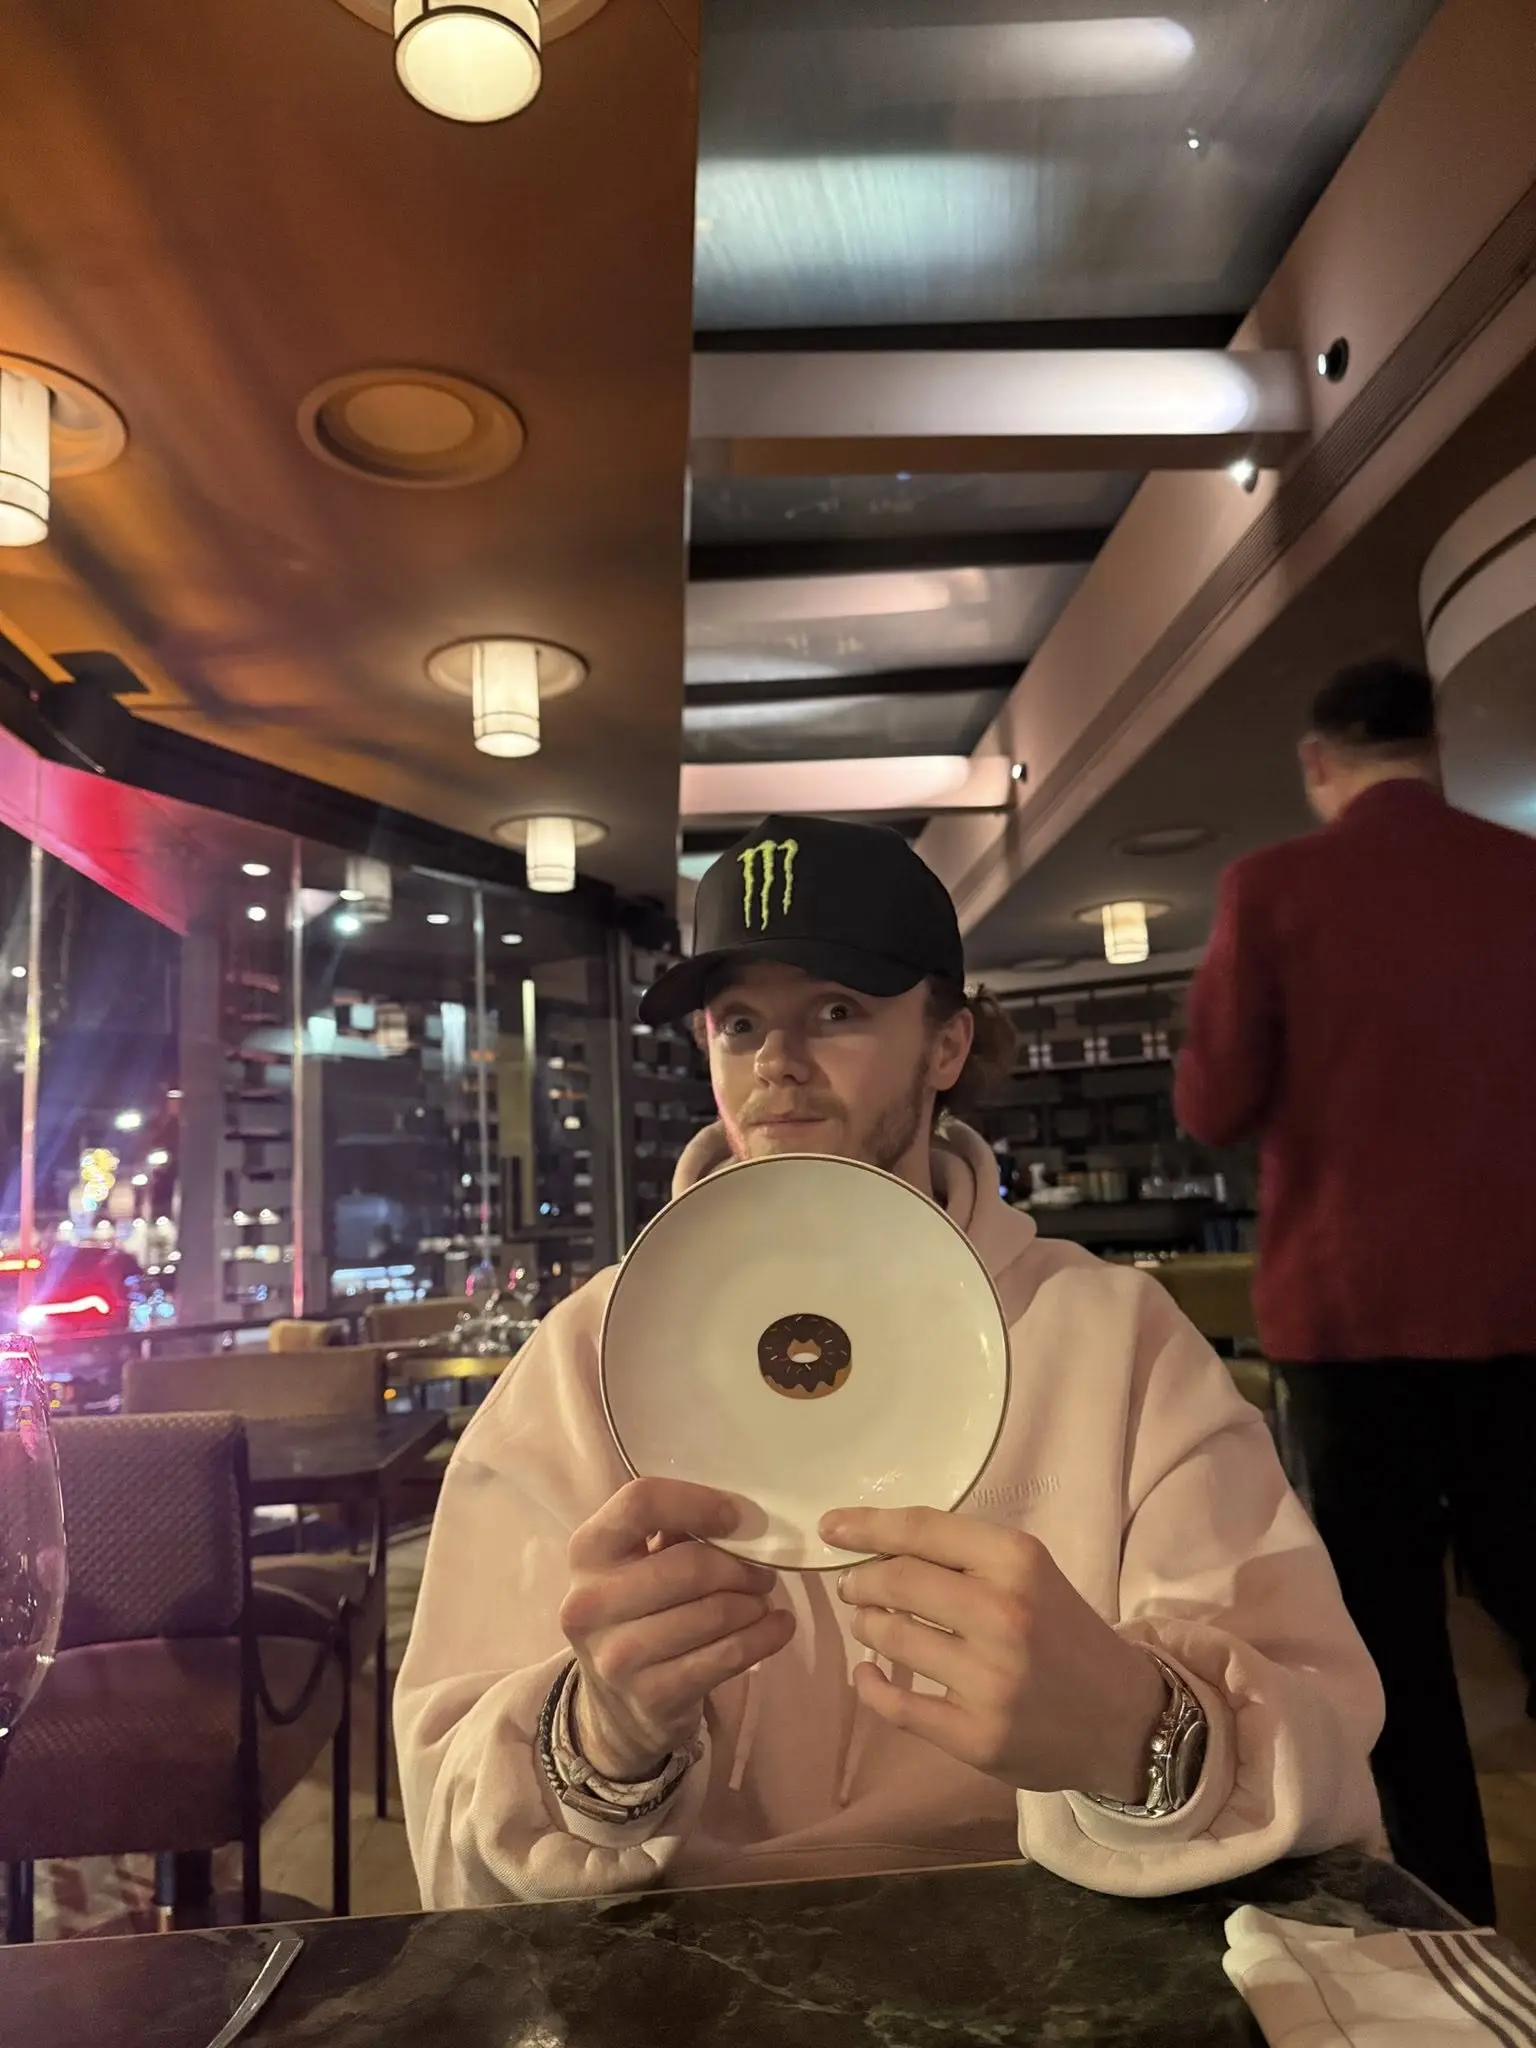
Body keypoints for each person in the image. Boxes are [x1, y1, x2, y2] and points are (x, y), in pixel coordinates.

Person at [398, 814, 1384, 1908]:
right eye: (738, 1024)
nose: (777, 1062)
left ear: (947, 1046)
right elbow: (449, 1821)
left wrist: (1131, 1727)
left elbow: (1322, 1741)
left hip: (1056, 1942)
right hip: (690, 1955)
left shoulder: (1116, 1337)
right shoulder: (584, 1354)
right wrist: (599, 1739)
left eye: (838, 1010)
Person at [1175, 659, 1536, 1926]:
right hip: (1522, 1304)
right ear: (1433, 748)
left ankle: (1448, 1919)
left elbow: (1213, 1100)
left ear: (1316, 762)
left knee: (1387, 1637)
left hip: (1350, 1310)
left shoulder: (1272, 888)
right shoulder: (1522, 871)